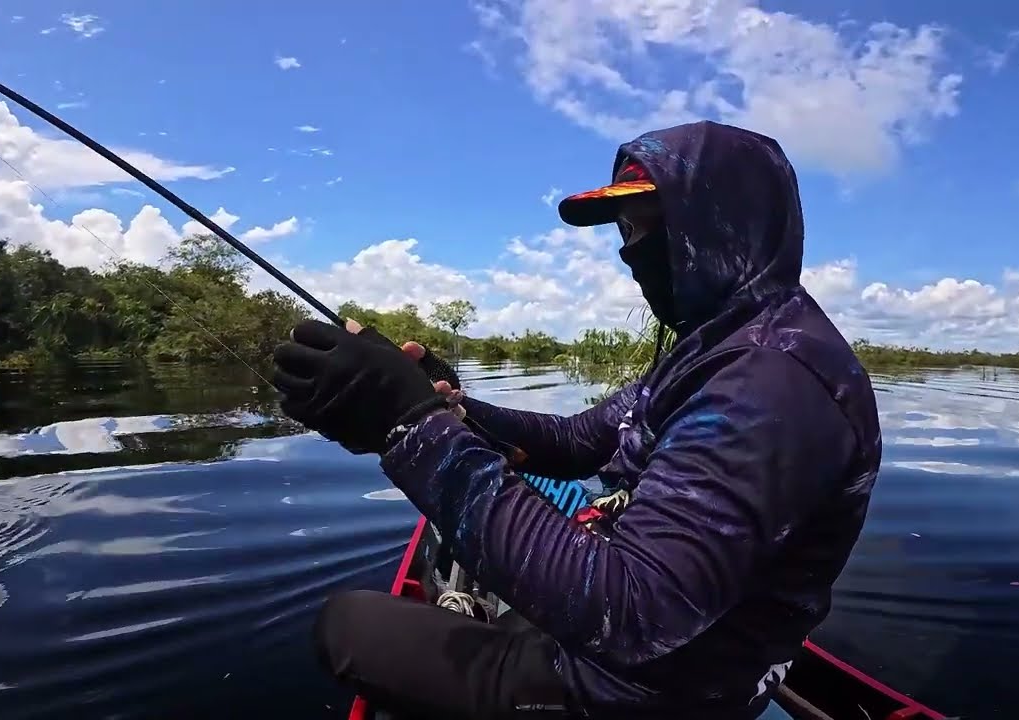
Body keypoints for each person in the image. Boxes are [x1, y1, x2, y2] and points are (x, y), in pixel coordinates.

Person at [271, 120, 881, 719]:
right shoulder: (721, 346)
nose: (629, 251)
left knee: (347, 624)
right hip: (663, 659)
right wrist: (446, 406)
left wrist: (411, 429)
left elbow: (636, 612)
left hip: (651, 693)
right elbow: (576, 441)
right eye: (624, 229)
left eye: (645, 224)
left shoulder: (770, 380)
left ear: (728, 221)